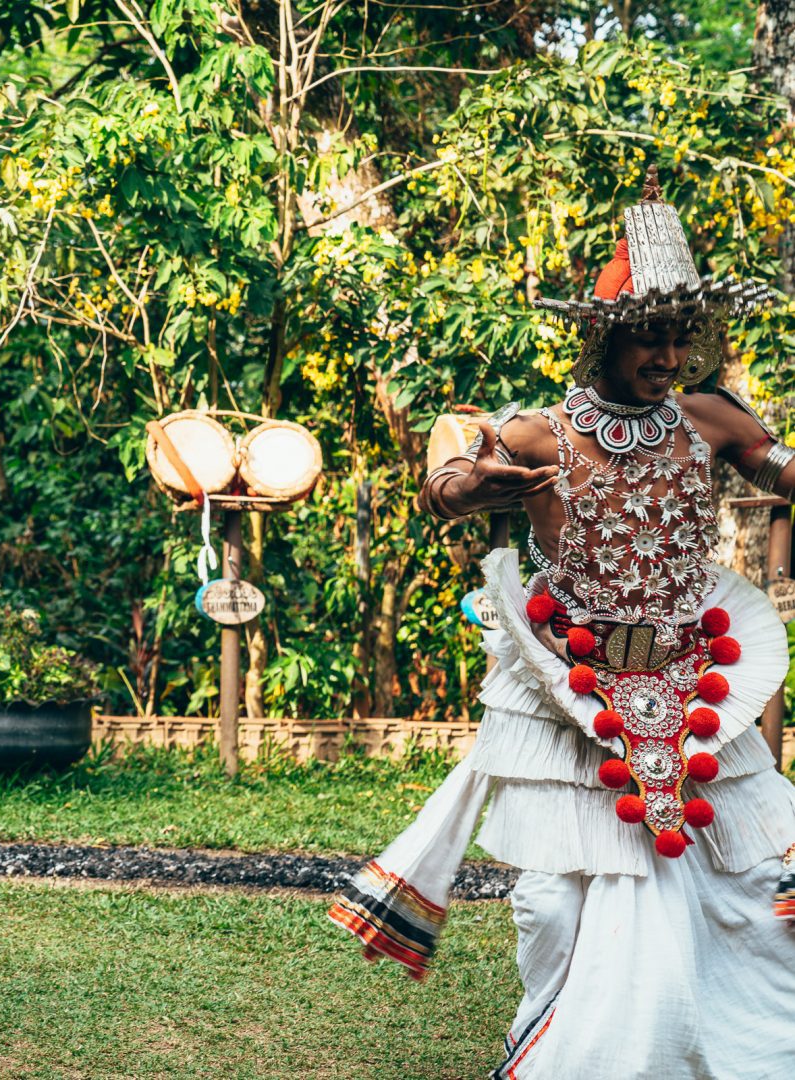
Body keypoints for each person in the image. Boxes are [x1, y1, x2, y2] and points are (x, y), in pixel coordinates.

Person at [330, 168, 795, 1078]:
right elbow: (447, 473)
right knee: (549, 904)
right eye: (646, 340)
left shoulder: (707, 418)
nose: (664, 357)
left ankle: (723, 1044)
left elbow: (778, 465)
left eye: (677, 339)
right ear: (606, 341)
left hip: (691, 683)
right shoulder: (540, 430)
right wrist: (468, 487)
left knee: (740, 884)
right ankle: (556, 1052)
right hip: (564, 684)